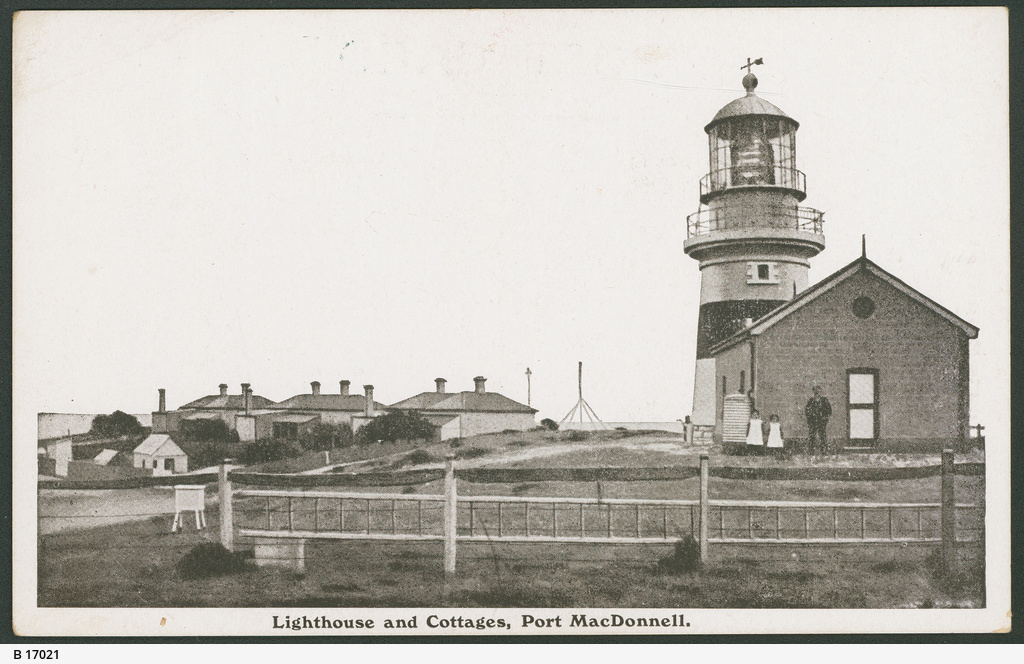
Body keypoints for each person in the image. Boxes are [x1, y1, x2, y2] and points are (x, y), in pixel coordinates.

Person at [804, 386, 832, 454]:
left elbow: (829, 410)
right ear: (814, 392)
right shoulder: (811, 401)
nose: (817, 392)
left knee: (822, 435)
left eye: (818, 391)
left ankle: (824, 451)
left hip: (821, 421)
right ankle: (811, 451)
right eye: (815, 391)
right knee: (812, 436)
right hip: (813, 421)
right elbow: (807, 410)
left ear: (820, 391)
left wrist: (825, 417)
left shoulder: (824, 400)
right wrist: (810, 418)